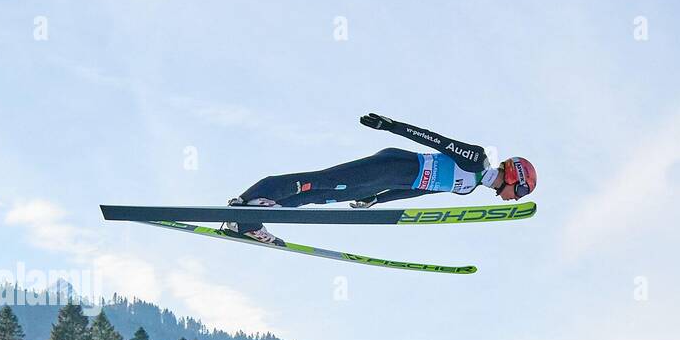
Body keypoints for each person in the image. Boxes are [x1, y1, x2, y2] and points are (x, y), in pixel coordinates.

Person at [222, 113, 537, 243]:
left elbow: (419, 190)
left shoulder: (469, 187)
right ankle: (248, 201)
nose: (517, 196)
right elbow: (433, 139)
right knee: (321, 180)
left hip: (388, 182)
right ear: (514, 174)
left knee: (320, 197)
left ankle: (249, 221)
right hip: (389, 165)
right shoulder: (476, 160)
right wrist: (391, 125)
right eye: (521, 190)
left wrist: (378, 199)